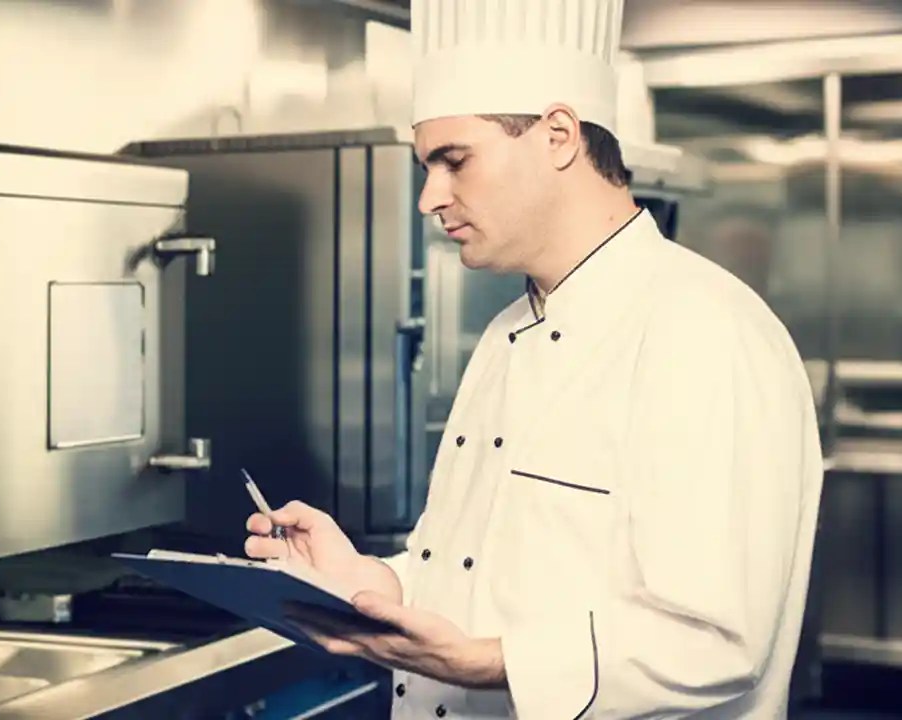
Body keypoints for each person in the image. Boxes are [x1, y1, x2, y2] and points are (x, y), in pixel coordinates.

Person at [245, 0, 824, 717]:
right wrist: (375, 584)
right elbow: (477, 576)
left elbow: (719, 642)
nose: (429, 197)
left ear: (558, 136)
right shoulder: (505, 335)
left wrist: (488, 664)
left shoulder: (703, 331)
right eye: (426, 167)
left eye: (454, 161)